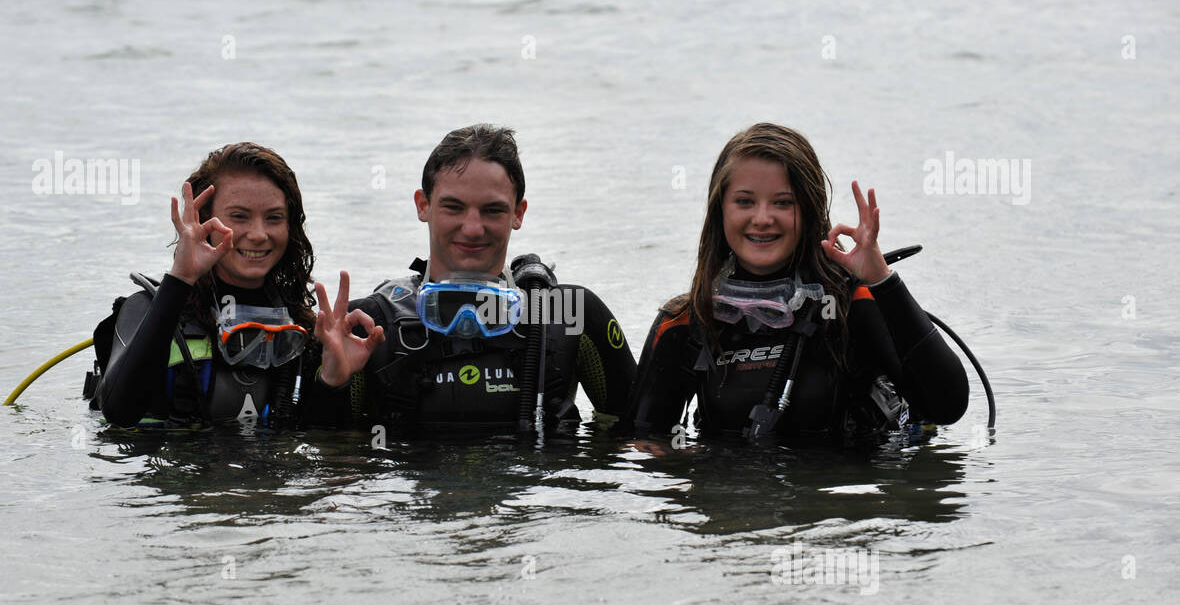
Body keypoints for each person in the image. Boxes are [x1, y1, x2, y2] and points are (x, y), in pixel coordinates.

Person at [624, 122, 969, 445]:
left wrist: (882, 280)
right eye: (744, 201)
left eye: (783, 203)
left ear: (810, 211)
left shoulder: (851, 306)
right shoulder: (685, 322)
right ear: (720, 212)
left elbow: (948, 407)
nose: (762, 219)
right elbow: (649, 446)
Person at [305, 124, 636, 435]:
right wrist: (331, 383)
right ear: (423, 205)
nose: (473, 228)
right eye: (454, 207)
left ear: (518, 213)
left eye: (493, 210)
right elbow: (322, 460)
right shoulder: (366, 326)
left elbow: (641, 444)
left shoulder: (569, 314)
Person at [86, 142, 383, 428]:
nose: (258, 234)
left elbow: (322, 451)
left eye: (274, 218)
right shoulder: (147, 310)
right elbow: (119, 413)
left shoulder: (306, 332)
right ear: (204, 221)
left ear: (290, 227)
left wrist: (332, 382)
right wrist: (180, 278)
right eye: (239, 216)